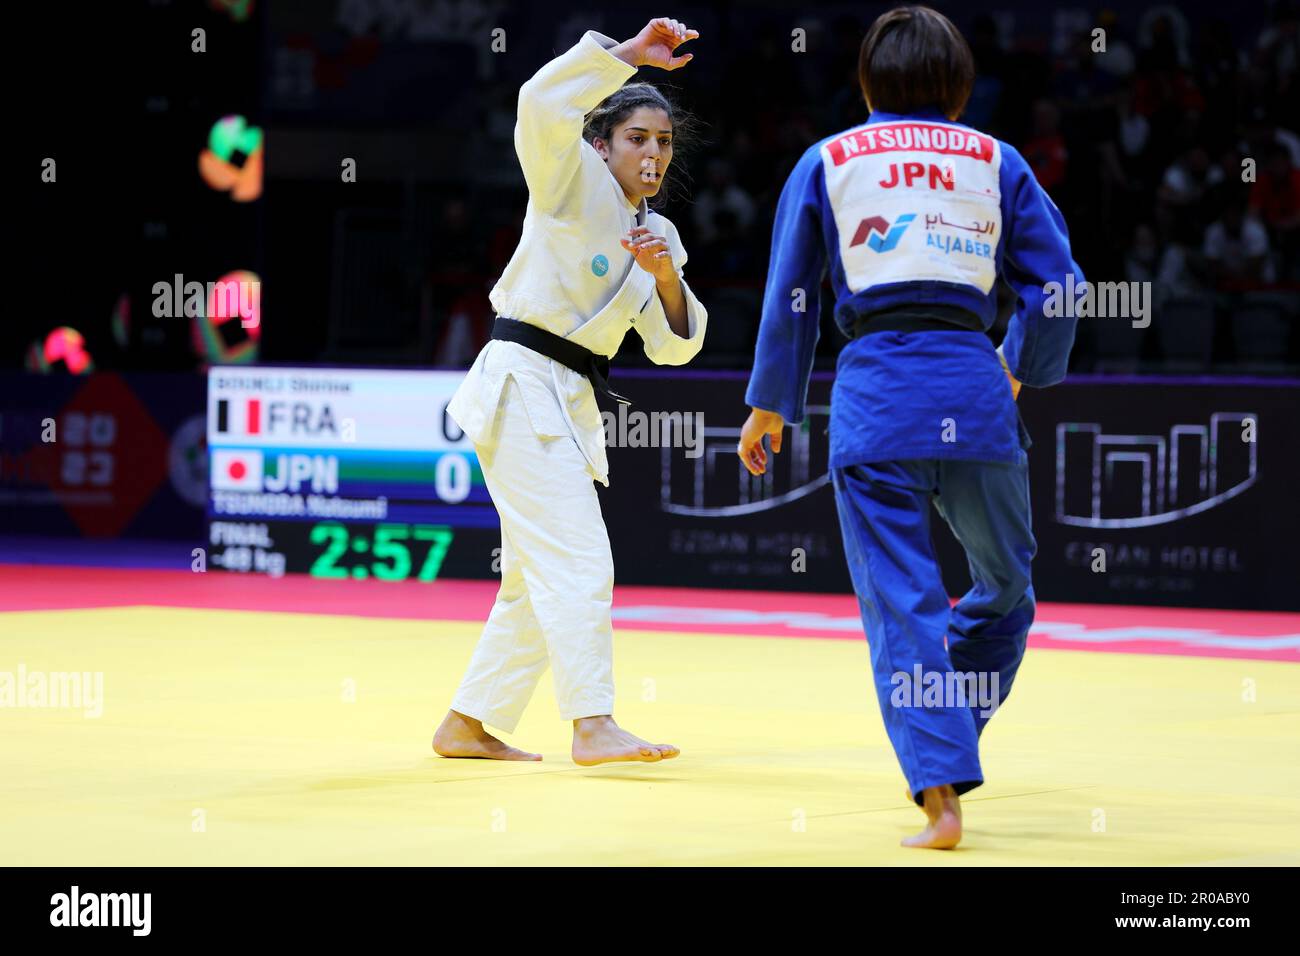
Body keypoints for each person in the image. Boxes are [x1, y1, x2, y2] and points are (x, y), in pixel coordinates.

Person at [737, 5, 1082, 848]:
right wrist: (1020, 365)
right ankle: (947, 744)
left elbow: (794, 292)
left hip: (878, 400)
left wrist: (769, 401)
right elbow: (1061, 286)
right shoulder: (997, 160)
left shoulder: (829, 160)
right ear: (961, 87)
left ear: (865, 84)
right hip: (976, 393)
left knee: (904, 604)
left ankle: (941, 785)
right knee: (1005, 587)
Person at [433, 18, 707, 765]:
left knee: (533, 581)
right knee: (582, 560)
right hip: (521, 380)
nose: (652, 154)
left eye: (663, 143)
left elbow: (675, 345)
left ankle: (468, 723)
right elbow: (539, 102)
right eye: (637, 139)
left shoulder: (661, 237)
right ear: (602, 144)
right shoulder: (568, 179)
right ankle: (593, 724)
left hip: (568, 395)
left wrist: (664, 279)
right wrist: (623, 56)